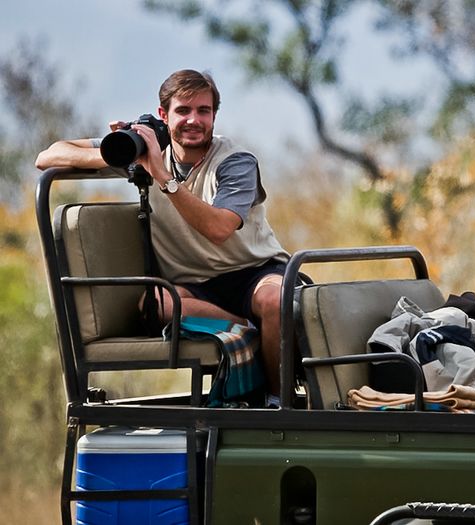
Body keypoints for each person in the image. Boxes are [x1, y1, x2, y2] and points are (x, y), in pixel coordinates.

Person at [36, 69, 289, 407]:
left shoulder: (234, 162)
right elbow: (47, 156)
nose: (193, 120)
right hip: (193, 283)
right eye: (183, 111)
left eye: (203, 111)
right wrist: (120, 152)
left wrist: (162, 175)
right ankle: (247, 330)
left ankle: (277, 401)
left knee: (274, 301)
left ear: (215, 115)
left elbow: (218, 229)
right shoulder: (152, 154)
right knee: (157, 304)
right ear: (163, 115)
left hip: (254, 272)